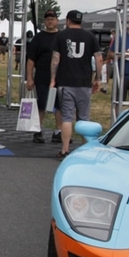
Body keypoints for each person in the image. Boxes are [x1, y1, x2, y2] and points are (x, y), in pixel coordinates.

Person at [50, 10, 103, 159]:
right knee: (84, 118)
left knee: (67, 117)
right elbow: (99, 59)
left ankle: (65, 149)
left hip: (66, 82)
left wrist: (53, 79)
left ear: (67, 21)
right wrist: (97, 78)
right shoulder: (90, 36)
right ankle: (85, 149)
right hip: (84, 82)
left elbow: (55, 59)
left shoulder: (61, 36)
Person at [25, 9, 64, 144]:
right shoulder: (38, 38)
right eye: (47, 19)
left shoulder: (62, 37)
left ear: (57, 21)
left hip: (60, 77)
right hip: (42, 77)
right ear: (44, 21)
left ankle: (58, 132)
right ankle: (38, 130)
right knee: (41, 104)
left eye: (52, 19)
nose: (50, 21)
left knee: (60, 105)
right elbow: (30, 59)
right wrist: (29, 78)